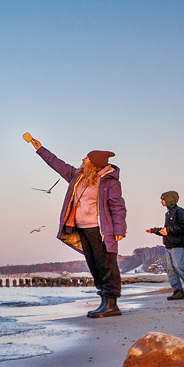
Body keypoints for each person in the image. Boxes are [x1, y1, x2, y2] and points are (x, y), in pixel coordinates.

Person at [26, 134, 127, 318]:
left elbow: (117, 206)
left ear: (94, 163)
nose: (83, 159)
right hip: (82, 228)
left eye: (86, 158)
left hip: (101, 229)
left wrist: (119, 230)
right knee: (94, 265)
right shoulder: (77, 176)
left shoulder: (109, 182)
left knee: (106, 264)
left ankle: (111, 303)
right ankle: (104, 300)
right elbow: (57, 165)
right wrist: (40, 149)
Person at [147, 191, 184, 300]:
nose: (161, 201)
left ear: (170, 199)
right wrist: (154, 231)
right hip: (169, 246)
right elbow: (167, 231)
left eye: (163, 199)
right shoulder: (168, 214)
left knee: (180, 267)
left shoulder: (180, 212)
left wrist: (169, 230)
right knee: (171, 270)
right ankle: (178, 291)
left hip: (179, 245)